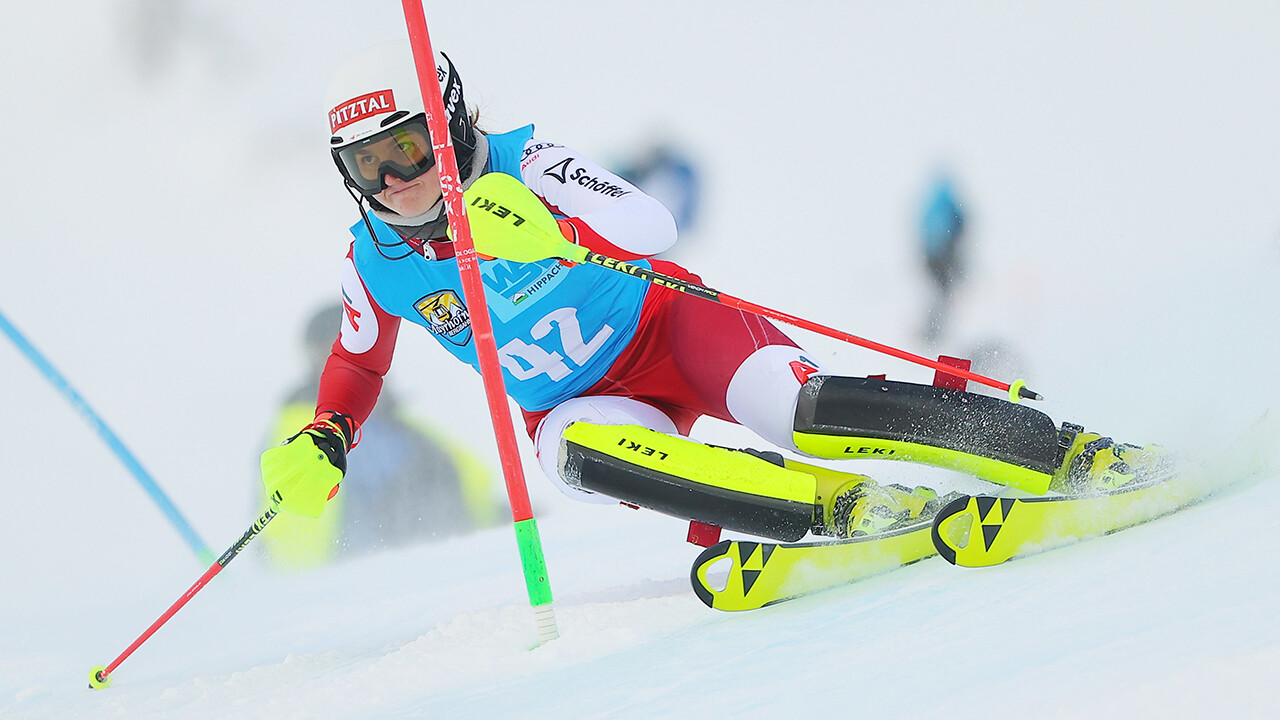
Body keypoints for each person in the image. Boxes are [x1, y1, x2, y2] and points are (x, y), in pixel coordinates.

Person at [259, 41, 1165, 545]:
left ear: (448, 123)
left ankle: (1058, 451)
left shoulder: (526, 158)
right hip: (581, 401)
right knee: (575, 459)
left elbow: (653, 226)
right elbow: (356, 359)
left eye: (409, 149)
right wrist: (328, 435)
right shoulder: (373, 255)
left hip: (674, 325)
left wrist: (551, 229)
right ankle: (835, 510)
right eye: (368, 166)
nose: (397, 183)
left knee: (801, 412)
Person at [259, 303, 500, 571]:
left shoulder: (410, 433)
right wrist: (292, 579)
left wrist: (503, 518)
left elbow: (468, 484)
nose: (349, 368)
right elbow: (286, 516)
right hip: (346, 579)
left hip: (430, 570)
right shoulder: (301, 428)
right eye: (335, 358)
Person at [919, 173, 966, 345]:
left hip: (930, 256)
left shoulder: (931, 204)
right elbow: (962, 223)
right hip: (945, 254)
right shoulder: (949, 202)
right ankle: (936, 329)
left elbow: (923, 230)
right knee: (945, 292)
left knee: (938, 292)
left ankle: (931, 328)